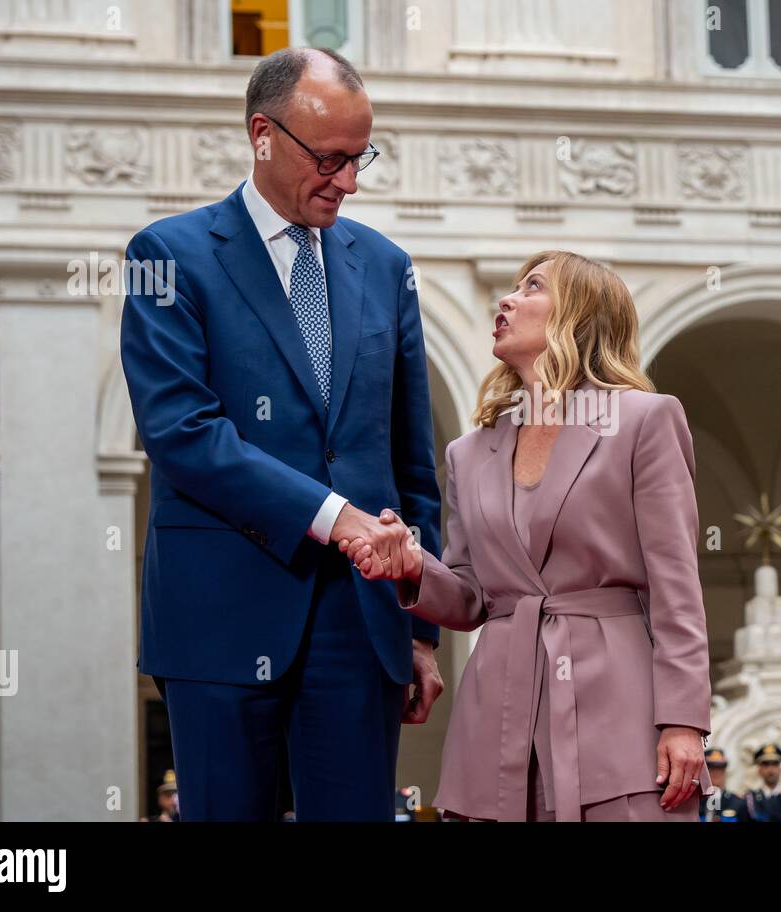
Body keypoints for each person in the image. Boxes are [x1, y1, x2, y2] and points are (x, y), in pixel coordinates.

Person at [120, 48, 443, 821]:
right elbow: (183, 434)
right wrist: (337, 518)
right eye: (329, 158)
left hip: (363, 629)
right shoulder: (167, 256)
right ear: (263, 135)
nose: (349, 181)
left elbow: (411, 461)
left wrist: (422, 630)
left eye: (361, 158)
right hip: (222, 621)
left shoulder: (387, 265)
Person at [368, 251, 712, 822]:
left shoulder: (644, 420)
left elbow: (676, 586)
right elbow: (473, 594)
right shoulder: (469, 452)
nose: (507, 301)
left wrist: (683, 720)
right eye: (512, 288)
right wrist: (410, 563)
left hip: (617, 713)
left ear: (580, 315)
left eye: (532, 287)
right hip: (497, 712)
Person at [745, 743, 781, 822]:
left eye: (775, 764)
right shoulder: (749, 799)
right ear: (759, 770)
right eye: (766, 764)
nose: (770, 769)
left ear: (780, 769)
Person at [701, 748, 749, 822]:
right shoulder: (695, 802)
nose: (716, 772)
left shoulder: (738, 802)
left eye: (720, 768)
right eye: (711, 768)